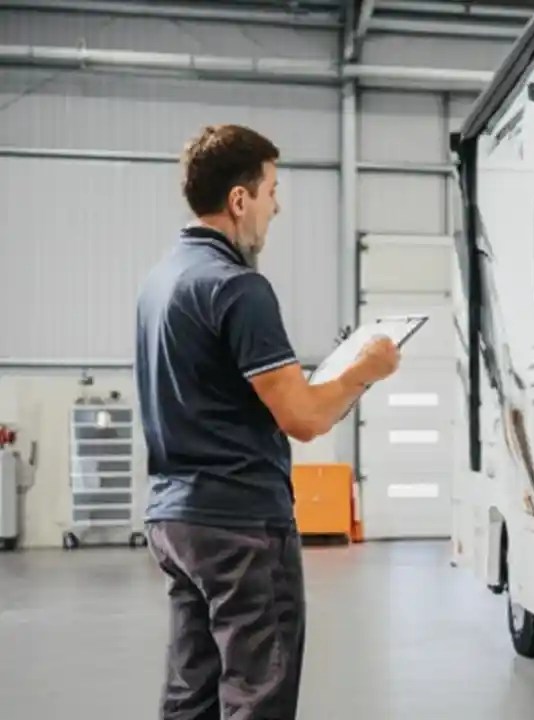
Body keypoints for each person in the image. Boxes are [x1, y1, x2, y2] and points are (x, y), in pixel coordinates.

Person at [134, 124, 401, 720]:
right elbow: (303, 419)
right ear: (239, 199)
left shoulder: (161, 281)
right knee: (259, 695)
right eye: (272, 190)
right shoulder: (238, 287)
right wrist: (367, 369)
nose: (275, 208)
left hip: (176, 521)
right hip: (240, 528)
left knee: (190, 693)